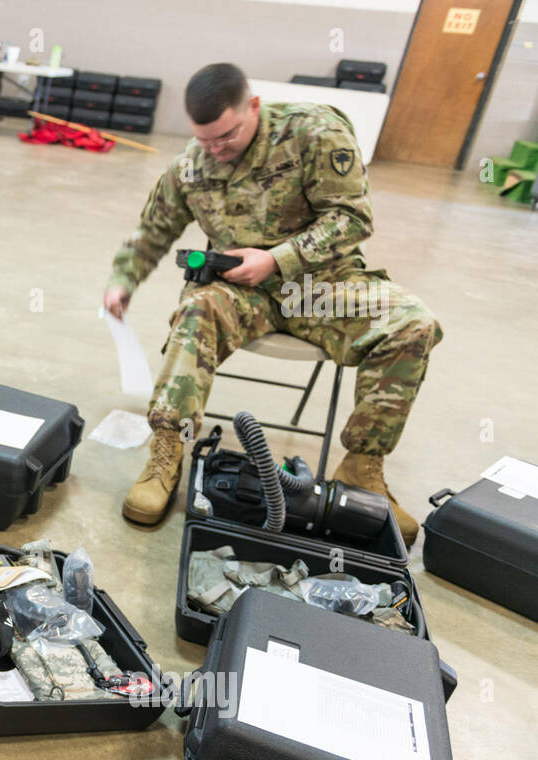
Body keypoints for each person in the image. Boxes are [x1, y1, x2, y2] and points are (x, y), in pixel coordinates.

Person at [103, 63, 441, 545]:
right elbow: (152, 231)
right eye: (206, 140)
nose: (216, 149)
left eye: (227, 135)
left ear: (253, 107)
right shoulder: (191, 164)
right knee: (197, 310)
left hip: (318, 286)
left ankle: (362, 466)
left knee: (413, 323)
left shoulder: (314, 132)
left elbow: (353, 219)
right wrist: (122, 281)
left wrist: (279, 258)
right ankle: (166, 453)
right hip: (240, 293)